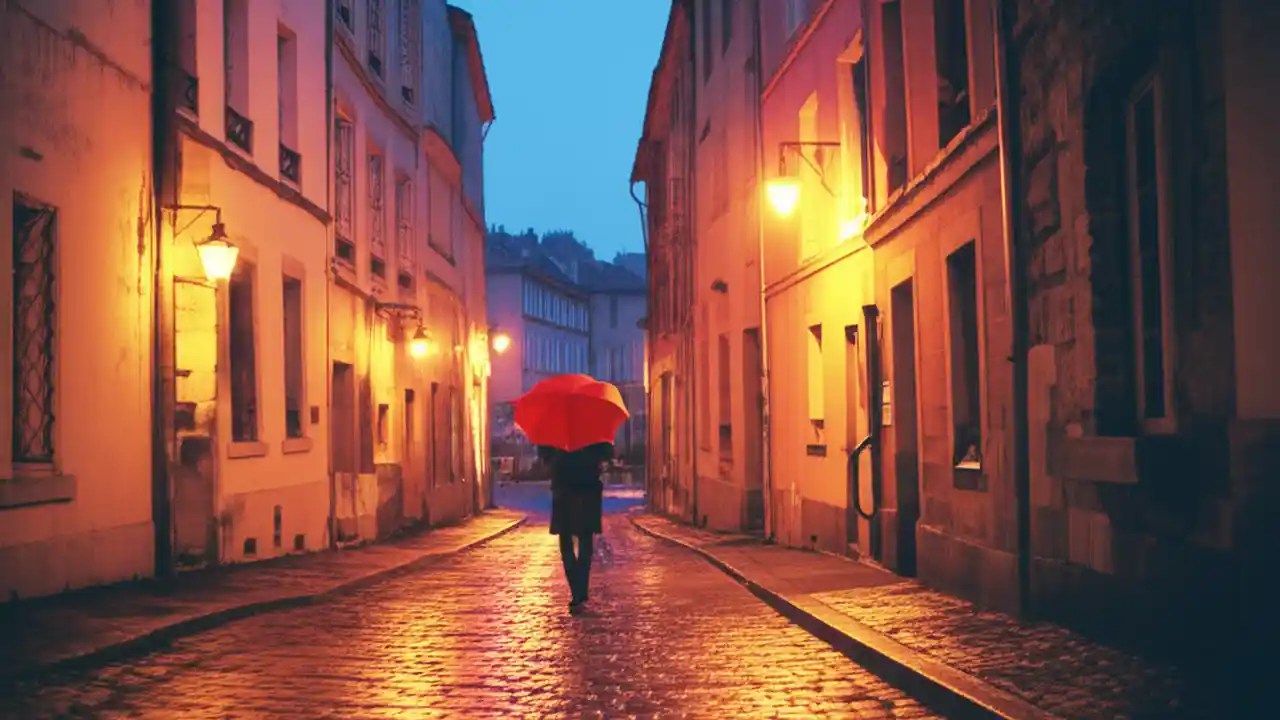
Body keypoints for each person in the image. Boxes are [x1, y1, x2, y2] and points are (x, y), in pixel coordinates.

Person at [541, 442, 612, 613]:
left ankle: (577, 590)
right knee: (584, 543)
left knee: (567, 544)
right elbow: (606, 454)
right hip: (586, 490)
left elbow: (545, 457)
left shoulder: (555, 428)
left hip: (565, 490)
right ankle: (580, 589)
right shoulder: (594, 427)